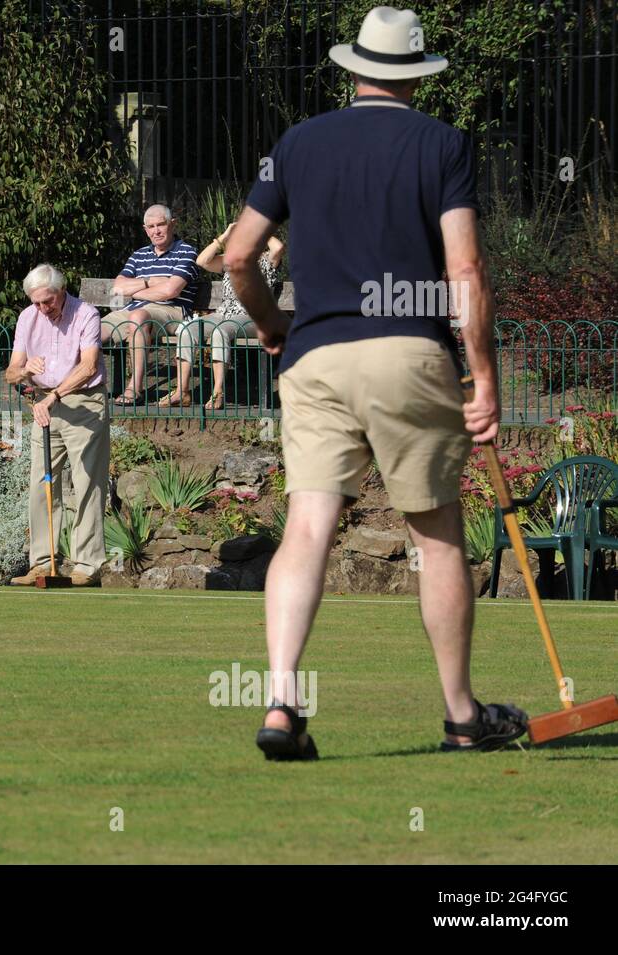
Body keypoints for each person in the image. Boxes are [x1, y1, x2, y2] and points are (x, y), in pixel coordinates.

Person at [226, 5, 527, 759]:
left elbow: (237, 256)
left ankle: (282, 704)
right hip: (409, 352)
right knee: (437, 535)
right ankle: (462, 714)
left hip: (317, 353)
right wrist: (483, 376)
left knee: (306, 528)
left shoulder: (297, 142)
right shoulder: (442, 144)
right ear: (415, 77)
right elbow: (465, 271)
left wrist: (270, 324)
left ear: (354, 69)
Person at [5, 264, 109, 587]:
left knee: (87, 482)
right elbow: (11, 371)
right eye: (36, 302)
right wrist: (24, 373)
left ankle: (86, 566)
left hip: (84, 403)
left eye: (47, 301)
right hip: (43, 405)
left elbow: (89, 366)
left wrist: (55, 396)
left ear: (61, 292)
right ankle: (42, 564)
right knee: (41, 484)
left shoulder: (86, 314)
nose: (42, 308)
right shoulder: (27, 318)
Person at [158, 222, 284, 410]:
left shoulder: (267, 260)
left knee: (220, 331)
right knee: (187, 329)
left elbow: (279, 247)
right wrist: (224, 236)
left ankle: (218, 392)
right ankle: (181, 391)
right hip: (223, 314)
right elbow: (202, 261)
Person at [101, 205, 201, 405]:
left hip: (171, 311)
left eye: (161, 225)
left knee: (138, 316)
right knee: (88, 330)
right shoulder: (139, 255)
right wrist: (151, 281)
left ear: (172, 224)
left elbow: (170, 291)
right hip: (132, 310)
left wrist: (135, 290)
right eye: (151, 226)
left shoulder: (187, 252)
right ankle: (67, 386)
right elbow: (119, 287)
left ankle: (134, 389)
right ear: (145, 229)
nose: (156, 231)